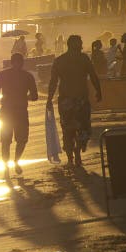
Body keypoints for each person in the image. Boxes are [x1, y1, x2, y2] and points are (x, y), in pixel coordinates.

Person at [47, 35, 102, 167]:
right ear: (74, 45)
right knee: (82, 128)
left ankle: (72, 155)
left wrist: (49, 98)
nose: (82, 45)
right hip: (79, 99)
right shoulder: (83, 59)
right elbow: (93, 75)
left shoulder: (60, 60)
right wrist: (98, 91)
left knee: (68, 129)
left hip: (67, 100)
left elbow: (53, 82)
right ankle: (75, 153)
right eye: (80, 43)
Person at [0, 53, 39, 177]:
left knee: (7, 141)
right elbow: (34, 96)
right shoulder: (27, 76)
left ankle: (9, 165)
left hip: (7, 112)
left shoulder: (3, 75)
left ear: (11, 62)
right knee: (20, 140)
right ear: (22, 63)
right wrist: (24, 96)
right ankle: (14, 162)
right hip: (19, 112)